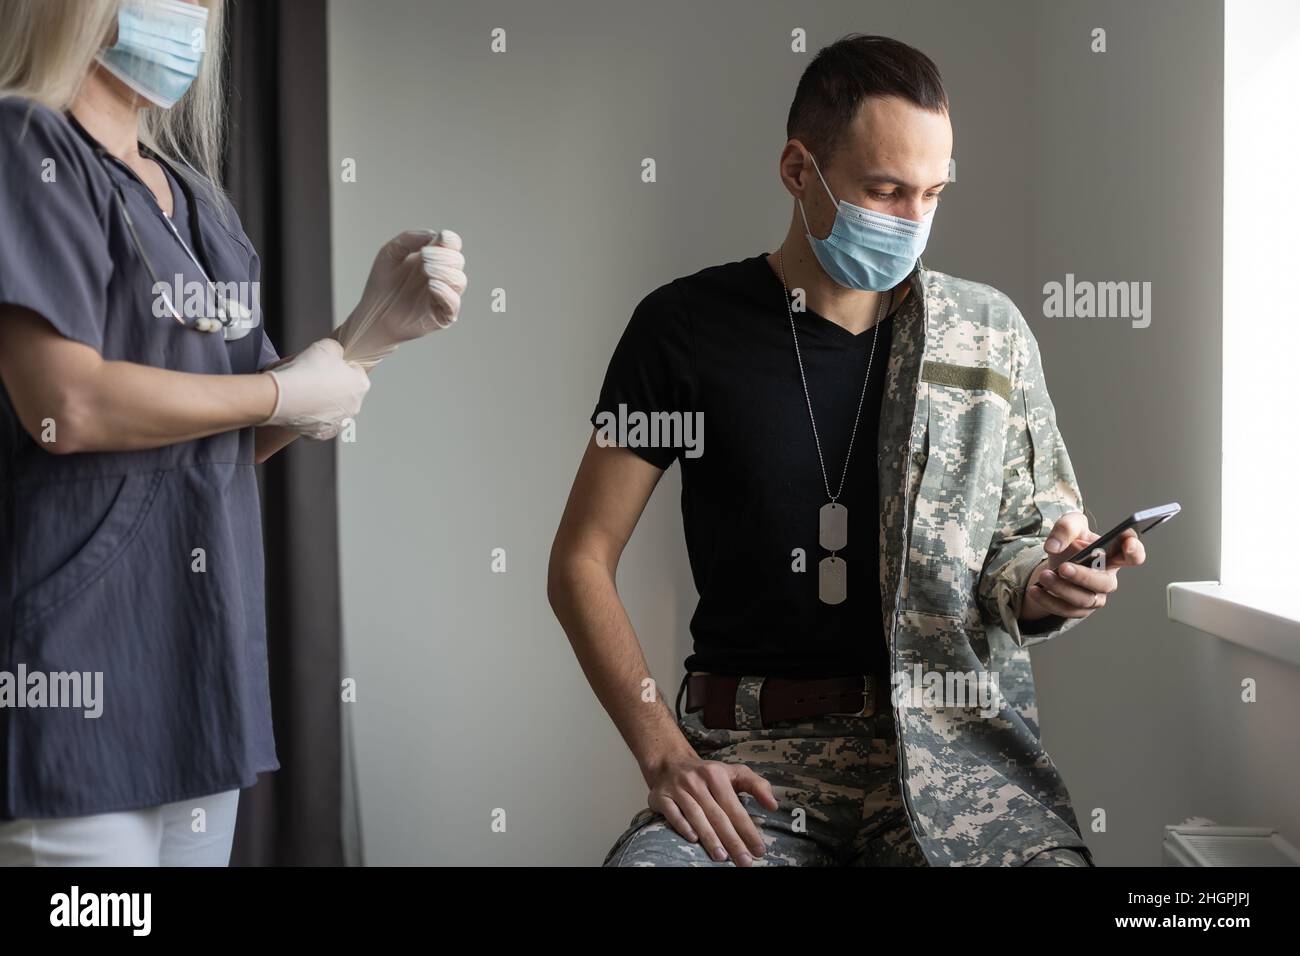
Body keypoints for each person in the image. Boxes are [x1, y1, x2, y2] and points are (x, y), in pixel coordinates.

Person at [548, 34, 1144, 867]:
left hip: (955, 758)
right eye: (886, 190)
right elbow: (580, 558)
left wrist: (1057, 584)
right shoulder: (684, 329)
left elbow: (1022, 562)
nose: (914, 220)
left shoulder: (988, 336)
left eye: (932, 193)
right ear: (800, 171)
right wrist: (664, 754)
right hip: (754, 762)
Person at [0, 0, 466, 865]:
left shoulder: (198, 202)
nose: (190, 15)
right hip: (75, 686)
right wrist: (282, 389)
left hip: (199, 684)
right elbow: (67, 406)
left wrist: (367, 335)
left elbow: (220, 445)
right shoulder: (27, 145)